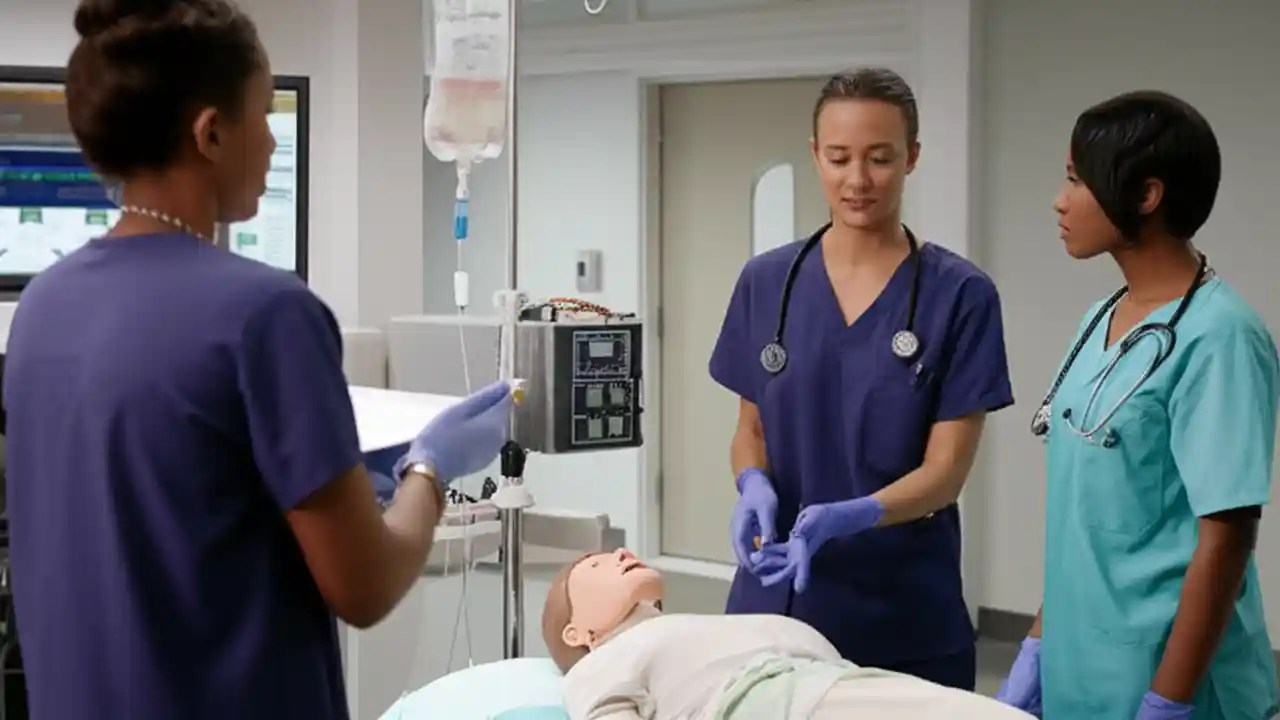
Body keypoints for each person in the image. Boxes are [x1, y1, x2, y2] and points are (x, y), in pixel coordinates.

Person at [1, 1, 513, 718]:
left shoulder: (44, 308)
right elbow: (364, 587)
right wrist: (429, 468)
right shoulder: (266, 314)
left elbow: (164, 507)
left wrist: (317, 479)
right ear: (211, 133)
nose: (274, 145)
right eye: (264, 115)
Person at [708, 66, 1014, 691]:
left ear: (912, 158)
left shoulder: (960, 296)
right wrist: (750, 482)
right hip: (776, 606)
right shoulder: (768, 283)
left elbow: (946, 473)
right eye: (840, 157)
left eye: (880, 158)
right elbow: (751, 429)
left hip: (903, 613)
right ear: (815, 155)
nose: (858, 180)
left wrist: (853, 515)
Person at [994, 91, 1280, 720]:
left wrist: (1168, 701)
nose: (1059, 200)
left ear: (1146, 196)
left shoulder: (1221, 337)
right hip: (1081, 665)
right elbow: (1084, 520)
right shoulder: (1101, 319)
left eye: (1076, 180)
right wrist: (1040, 644)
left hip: (1178, 679)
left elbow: (1227, 538)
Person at [540, 549, 1035, 719]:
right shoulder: (601, 662)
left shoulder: (688, 631)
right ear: (578, 630)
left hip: (832, 684)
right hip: (780, 701)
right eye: (598, 564)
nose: (622, 554)